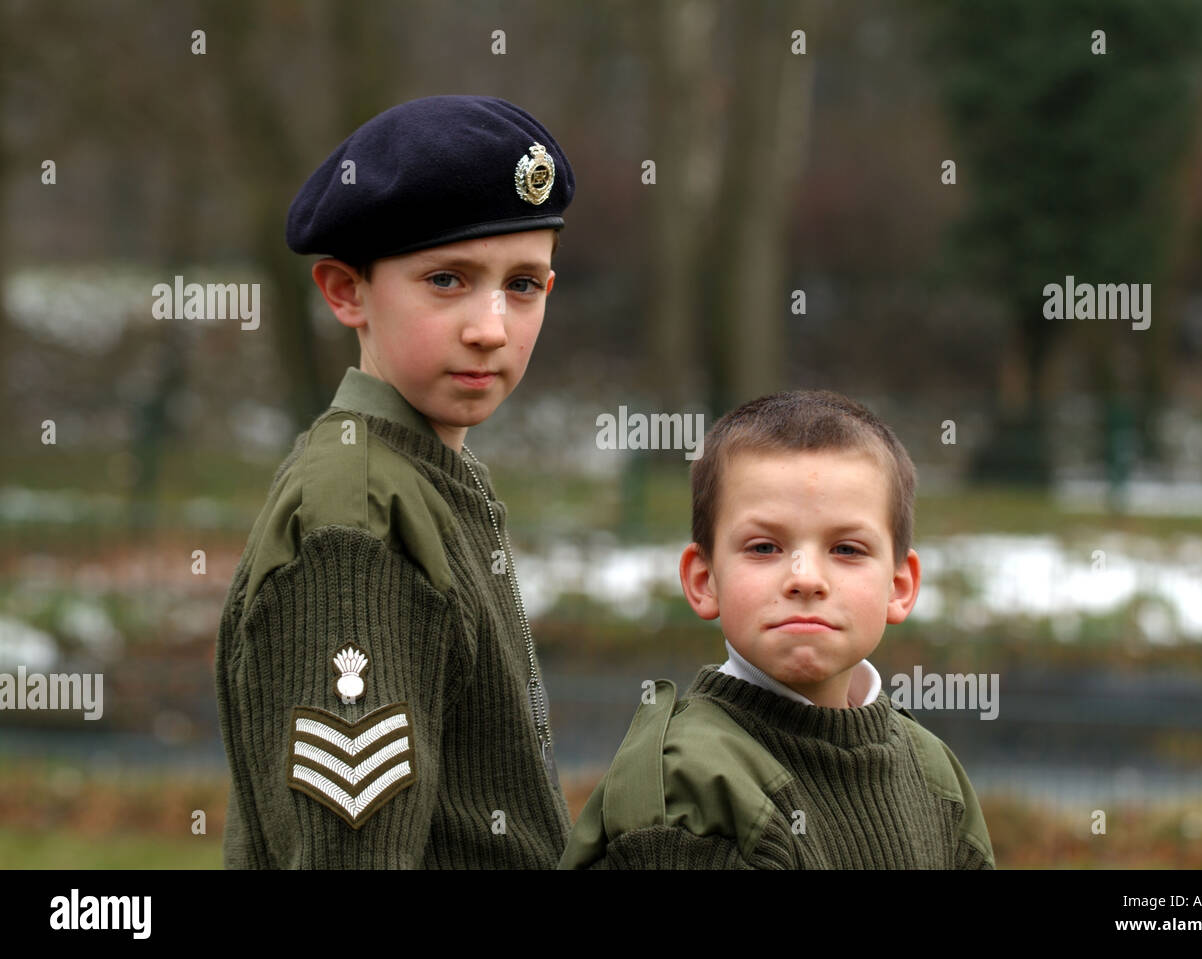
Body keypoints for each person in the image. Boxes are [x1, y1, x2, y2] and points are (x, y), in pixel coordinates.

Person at [215, 95, 575, 868]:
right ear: (347, 292)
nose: (491, 326)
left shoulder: (427, 476)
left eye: (523, 284)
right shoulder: (358, 518)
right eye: (447, 280)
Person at [560, 390, 996, 869]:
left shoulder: (936, 778)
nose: (805, 577)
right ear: (705, 581)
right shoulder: (692, 795)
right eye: (765, 547)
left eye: (847, 549)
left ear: (898, 585)